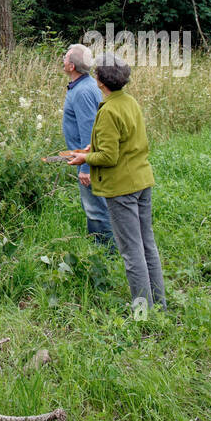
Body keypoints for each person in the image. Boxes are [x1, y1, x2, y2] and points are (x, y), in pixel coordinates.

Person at [67, 53, 167, 312]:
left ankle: (143, 313)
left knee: (132, 252)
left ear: (100, 79)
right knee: (148, 245)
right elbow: (125, 140)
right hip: (142, 180)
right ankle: (159, 306)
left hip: (122, 188)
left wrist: (85, 158)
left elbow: (109, 157)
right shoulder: (129, 102)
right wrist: (94, 147)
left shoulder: (109, 110)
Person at [61, 44, 114, 246]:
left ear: (72, 66)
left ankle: (107, 252)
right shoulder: (85, 85)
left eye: (65, 58)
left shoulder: (83, 91)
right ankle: (99, 248)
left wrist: (85, 167)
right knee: (95, 206)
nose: (63, 61)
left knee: (96, 209)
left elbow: (90, 131)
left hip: (88, 160)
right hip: (86, 158)